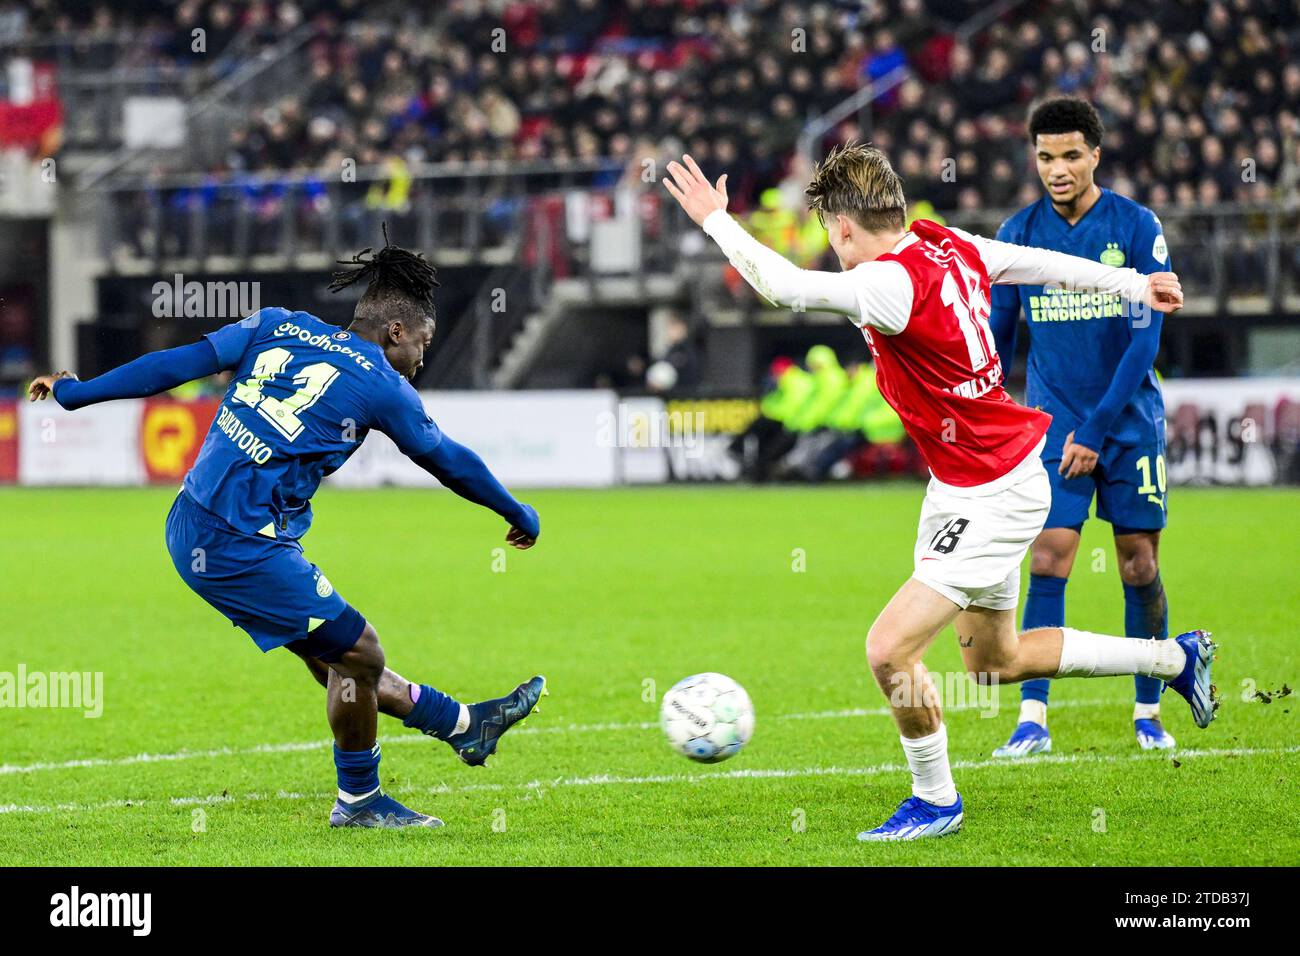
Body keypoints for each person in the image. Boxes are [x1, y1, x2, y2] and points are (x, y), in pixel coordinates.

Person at [662, 145, 1217, 841]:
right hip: (968, 482)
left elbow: (784, 287)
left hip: (992, 488)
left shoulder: (887, 282)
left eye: (832, 234)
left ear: (841, 228)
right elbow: (1033, 264)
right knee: (994, 663)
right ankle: (1174, 657)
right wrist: (1133, 283)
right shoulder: (942, 240)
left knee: (889, 650)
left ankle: (936, 800)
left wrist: (718, 222)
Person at [28, 229, 546, 829]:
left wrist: (77, 392)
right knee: (358, 652)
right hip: (235, 541)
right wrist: (517, 511)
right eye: (423, 343)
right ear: (396, 331)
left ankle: (463, 725)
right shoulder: (382, 383)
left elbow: (174, 365)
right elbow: (449, 459)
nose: (421, 359)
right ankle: (360, 802)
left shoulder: (276, 322)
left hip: (192, 518)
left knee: (334, 657)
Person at [988, 98, 1179, 756]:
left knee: (1137, 564)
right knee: (1048, 556)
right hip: (1051, 422)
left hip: (1126, 424)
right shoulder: (1016, 231)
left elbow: (1144, 342)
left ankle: (1149, 708)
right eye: (1045, 157)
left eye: (1071, 155)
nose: (1058, 169)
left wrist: (1096, 429)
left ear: (1096, 154)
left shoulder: (1135, 226)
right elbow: (999, 336)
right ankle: (1033, 719)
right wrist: (990, 412)